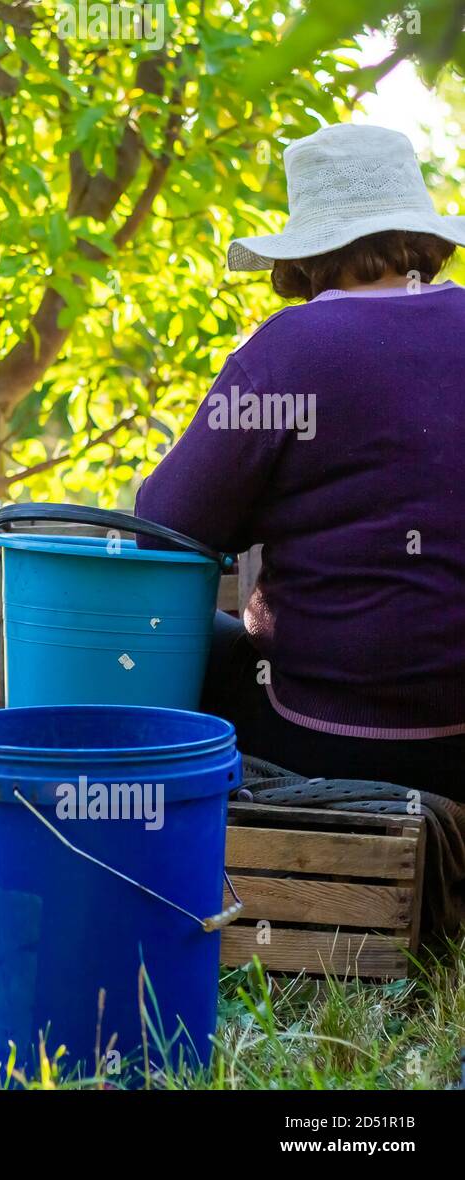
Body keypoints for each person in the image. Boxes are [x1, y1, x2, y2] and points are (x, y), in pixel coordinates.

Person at [135, 123, 465, 795]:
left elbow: (166, 522)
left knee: (166, 633)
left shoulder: (294, 348)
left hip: (329, 738)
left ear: (308, 253)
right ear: (423, 240)